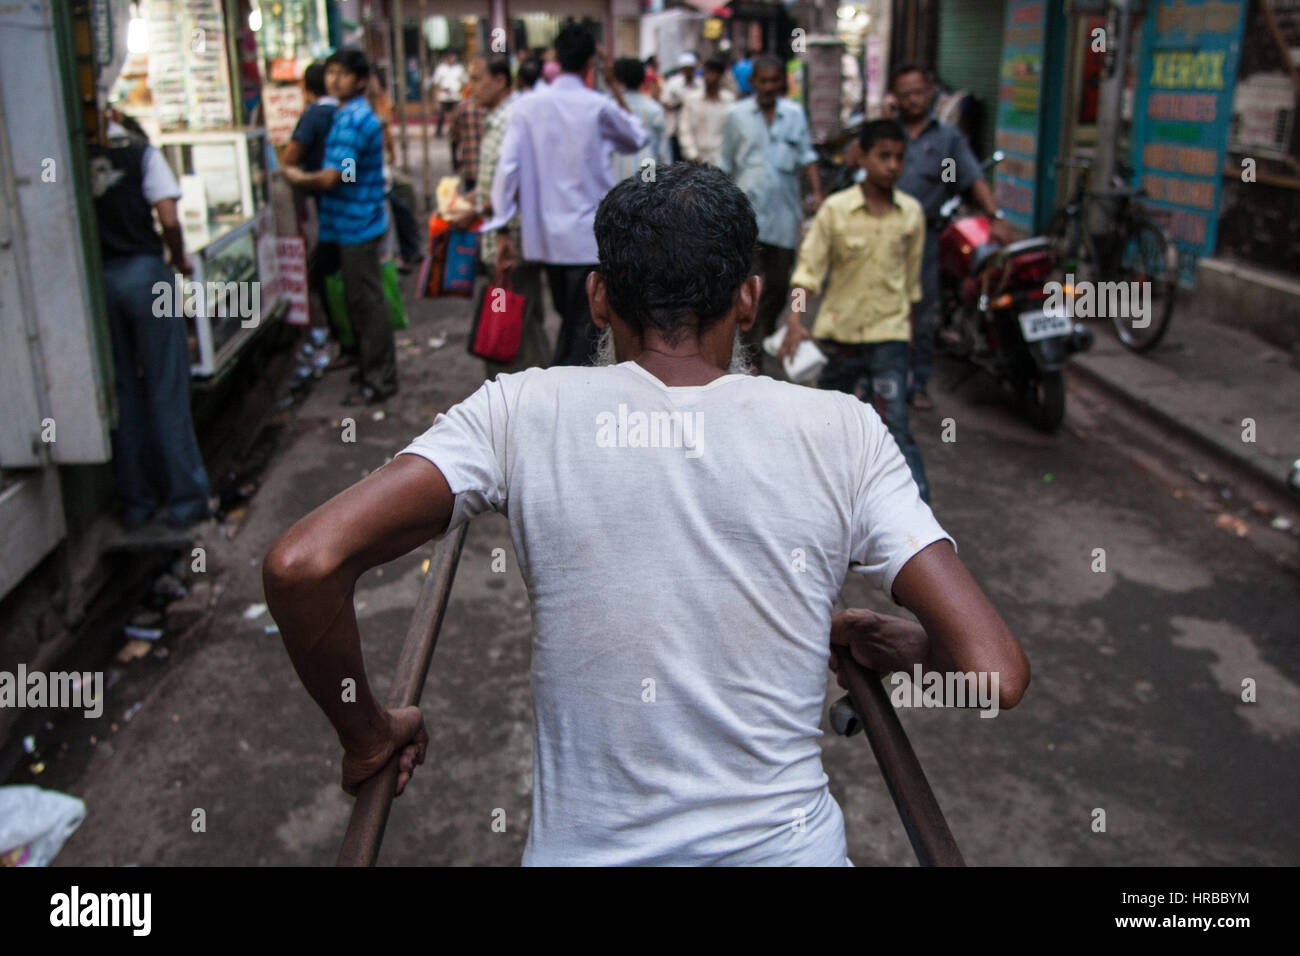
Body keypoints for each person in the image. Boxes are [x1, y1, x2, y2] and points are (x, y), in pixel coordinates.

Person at [263, 162, 1030, 866]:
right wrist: (894, 642)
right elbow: (993, 674)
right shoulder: (846, 430)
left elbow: (304, 565)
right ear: (751, 298)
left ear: (597, 297)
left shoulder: (520, 409)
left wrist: (366, 734)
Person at [780, 119, 932, 503]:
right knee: (831, 429)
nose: (892, 165)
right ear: (861, 156)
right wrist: (795, 321)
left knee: (894, 425)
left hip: (890, 336)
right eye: (883, 156)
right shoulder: (835, 210)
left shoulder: (911, 214)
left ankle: (917, 516)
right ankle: (823, 509)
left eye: (899, 157)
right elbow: (807, 273)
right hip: (839, 335)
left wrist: (909, 340)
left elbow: (912, 287)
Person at [482, 25, 646, 366]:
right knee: (581, 328)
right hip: (587, 237)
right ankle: (566, 388)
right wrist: (613, 84)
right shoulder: (597, 106)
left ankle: (562, 383)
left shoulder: (526, 107)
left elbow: (507, 169)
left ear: (555, 57)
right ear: (591, 62)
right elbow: (635, 137)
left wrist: (500, 226)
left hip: (543, 237)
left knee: (572, 321)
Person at [91, 104, 211, 532]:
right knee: (167, 387)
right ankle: (185, 501)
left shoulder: (77, 155)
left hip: (98, 282)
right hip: (146, 274)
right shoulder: (140, 151)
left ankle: (137, 504)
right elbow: (168, 216)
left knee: (122, 393)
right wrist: (178, 258)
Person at [889, 63, 1010, 411]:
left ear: (930, 93)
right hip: (879, 234)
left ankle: (917, 382)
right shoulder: (886, 133)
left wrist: (995, 216)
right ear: (894, 98)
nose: (912, 100)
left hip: (924, 237)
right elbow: (855, 164)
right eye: (905, 94)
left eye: (918, 92)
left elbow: (973, 178)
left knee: (921, 311)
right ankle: (876, 379)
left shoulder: (947, 138)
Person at [283, 48, 397, 406]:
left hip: (357, 226)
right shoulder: (343, 115)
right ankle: (363, 364)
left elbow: (338, 177)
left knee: (367, 303)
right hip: (344, 224)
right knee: (350, 297)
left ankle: (379, 379)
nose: (334, 79)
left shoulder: (356, 120)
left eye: (343, 73)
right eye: (331, 72)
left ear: (360, 80)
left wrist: (297, 176)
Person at [718, 54, 822, 360]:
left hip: (785, 219)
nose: (768, 86)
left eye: (774, 80)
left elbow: (806, 156)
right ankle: (750, 351)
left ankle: (759, 332)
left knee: (778, 286)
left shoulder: (794, 115)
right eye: (762, 80)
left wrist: (817, 192)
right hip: (747, 218)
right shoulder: (736, 115)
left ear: (782, 83)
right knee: (750, 286)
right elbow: (726, 162)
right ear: (753, 83)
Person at [456, 55, 550, 376]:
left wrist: (498, 228)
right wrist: (473, 200)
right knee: (525, 322)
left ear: (500, 81)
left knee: (514, 325)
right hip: (505, 238)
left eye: (478, 78)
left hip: (510, 242)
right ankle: (535, 393)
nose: (473, 87)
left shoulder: (512, 119)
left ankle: (519, 402)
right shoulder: (499, 118)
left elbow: (515, 185)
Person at [282, 60, 340, 333]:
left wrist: (303, 177)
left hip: (333, 211)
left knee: (331, 274)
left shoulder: (318, 116)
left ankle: (344, 338)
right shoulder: (344, 113)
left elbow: (290, 160)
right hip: (347, 213)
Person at [609, 57, 669, 184]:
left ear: (618, 78)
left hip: (616, 172)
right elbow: (663, 151)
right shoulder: (654, 109)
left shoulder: (609, 106)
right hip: (648, 171)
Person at [678, 55, 735, 167]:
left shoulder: (729, 100)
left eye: (716, 73)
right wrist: (692, 154)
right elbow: (685, 129)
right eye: (709, 73)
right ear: (704, 73)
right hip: (696, 161)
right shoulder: (691, 99)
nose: (712, 77)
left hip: (722, 162)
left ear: (721, 76)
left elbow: (733, 132)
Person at [659, 51, 700, 162]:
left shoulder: (700, 84)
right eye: (685, 68)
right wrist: (676, 105)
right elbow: (664, 101)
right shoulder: (673, 84)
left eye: (690, 68)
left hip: (693, 128)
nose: (688, 71)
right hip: (675, 127)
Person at [448, 92, 486, 191]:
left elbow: (453, 137)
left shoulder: (462, 107)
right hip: (490, 170)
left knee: (472, 198)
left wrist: (454, 159)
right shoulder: (494, 108)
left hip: (470, 167)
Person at [432, 51, 467, 137]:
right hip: (444, 96)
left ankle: (453, 132)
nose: (452, 59)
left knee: (456, 116)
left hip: (456, 96)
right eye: (450, 57)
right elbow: (436, 84)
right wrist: (436, 98)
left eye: (453, 57)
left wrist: (462, 92)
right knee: (441, 114)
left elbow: (465, 82)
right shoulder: (441, 68)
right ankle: (438, 132)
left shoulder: (459, 68)